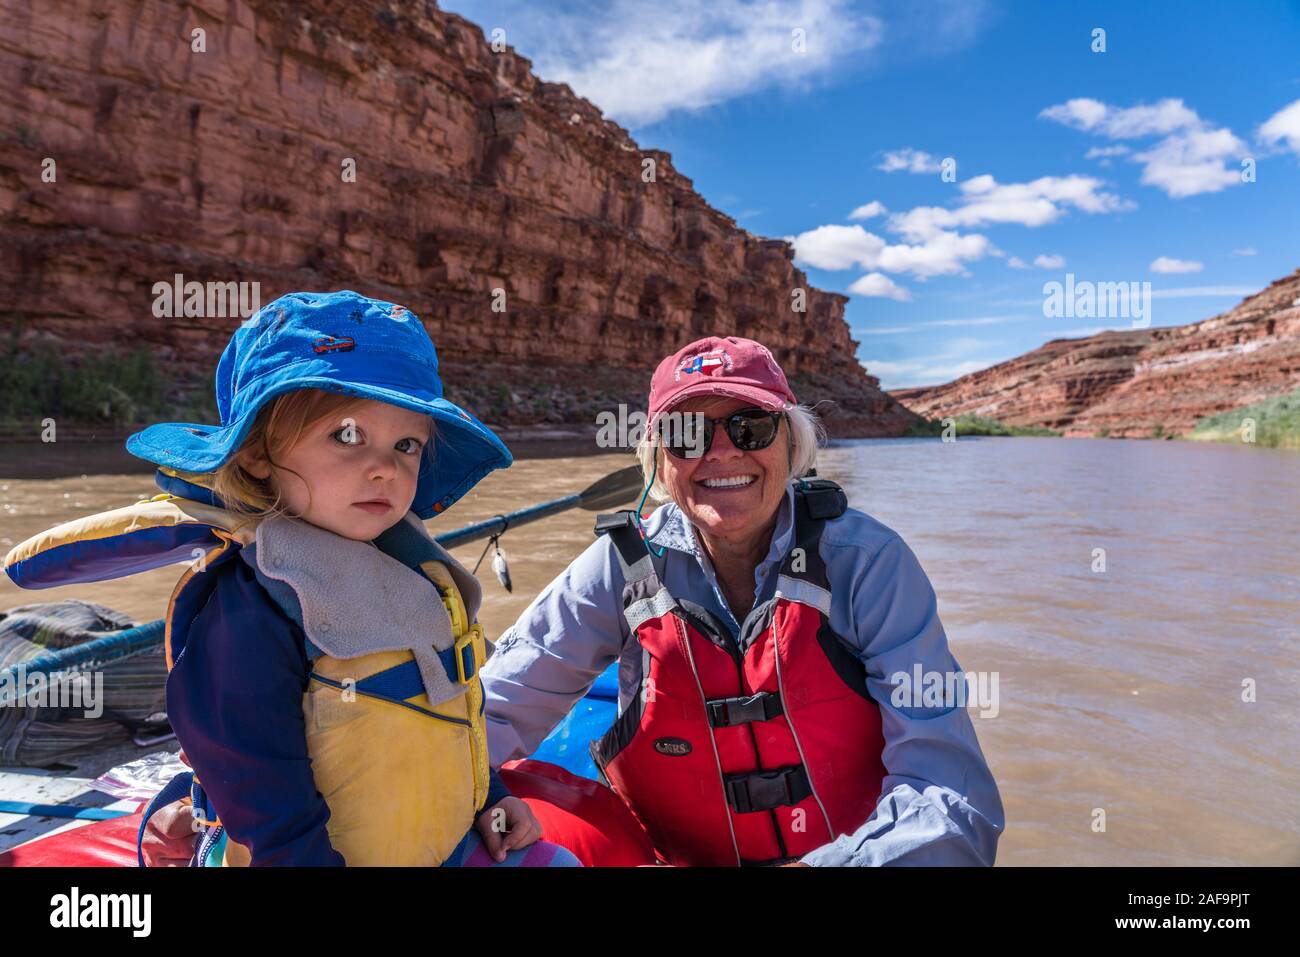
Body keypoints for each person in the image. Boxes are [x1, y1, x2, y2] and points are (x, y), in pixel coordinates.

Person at [21, 290, 580, 867]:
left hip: (442, 843)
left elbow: (449, 717)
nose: (384, 467)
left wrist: (491, 797)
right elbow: (257, 783)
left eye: (406, 444)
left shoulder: (410, 571)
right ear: (259, 454)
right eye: (346, 435)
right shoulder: (252, 607)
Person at [480, 336, 1005, 865]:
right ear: (660, 460)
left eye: (750, 427)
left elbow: (953, 797)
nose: (722, 452)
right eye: (686, 435)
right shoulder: (619, 567)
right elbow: (489, 712)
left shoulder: (869, 564)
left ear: (791, 445)